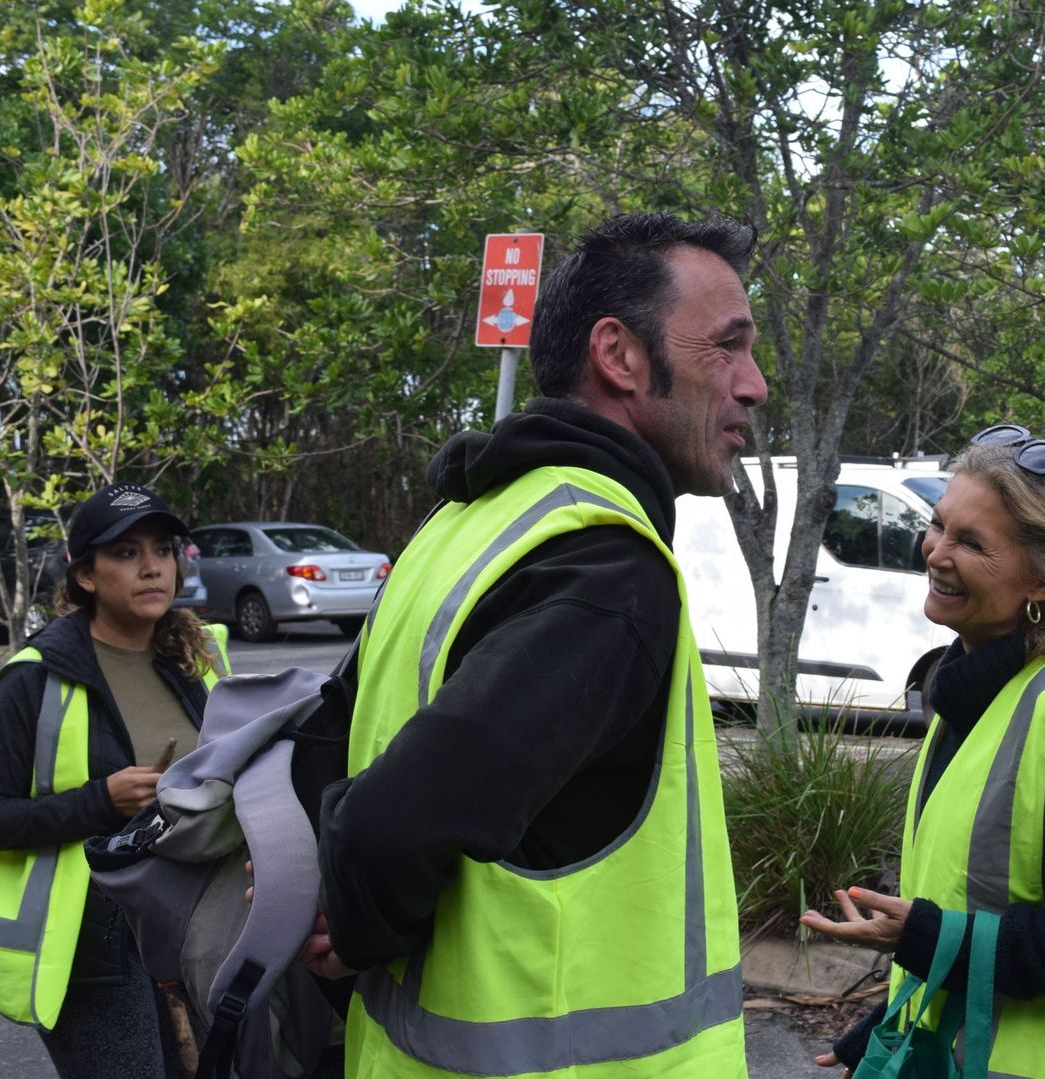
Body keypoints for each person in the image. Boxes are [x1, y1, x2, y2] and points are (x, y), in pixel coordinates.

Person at [314, 212, 766, 1077]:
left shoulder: (464, 521)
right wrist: (359, 927)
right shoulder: (608, 567)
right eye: (728, 346)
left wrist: (344, 921)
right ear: (620, 355)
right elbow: (388, 822)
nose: (755, 384)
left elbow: (326, 738)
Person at [800, 426, 1045, 1078]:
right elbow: (978, 910)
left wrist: (925, 937)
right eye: (938, 525)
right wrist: (884, 1028)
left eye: (972, 543)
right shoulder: (971, 690)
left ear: (1043, 582)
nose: (935, 552)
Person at [0, 483, 231, 1078]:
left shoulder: (193, 658)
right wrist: (100, 800)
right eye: (126, 553)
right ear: (85, 576)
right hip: (92, 944)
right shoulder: (34, 677)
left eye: (162, 549)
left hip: (191, 926)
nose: (153, 567)